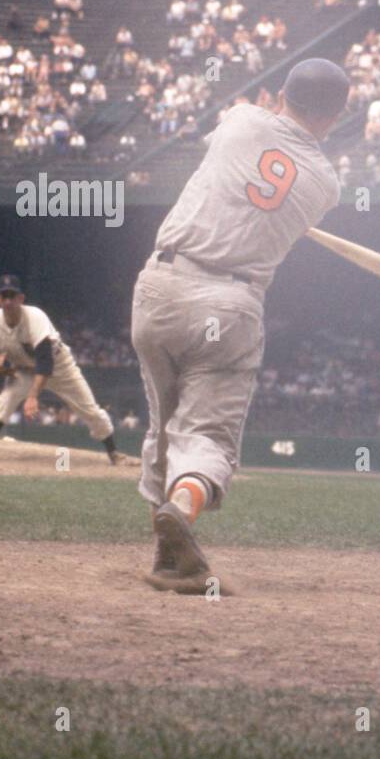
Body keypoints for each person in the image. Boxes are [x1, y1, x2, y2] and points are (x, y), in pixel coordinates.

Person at [131, 58, 349, 594]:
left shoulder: (241, 119)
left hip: (158, 284)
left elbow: (234, 147)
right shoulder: (326, 184)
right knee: (206, 436)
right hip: (229, 303)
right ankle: (181, 508)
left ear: (280, 93)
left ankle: (168, 556)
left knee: (164, 428)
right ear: (337, 117)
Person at [0, 274, 126, 466]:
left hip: (59, 367)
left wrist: (32, 396)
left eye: (13, 296)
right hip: (25, 369)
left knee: (89, 410)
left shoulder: (35, 317)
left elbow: (45, 363)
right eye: (4, 296)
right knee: (8, 396)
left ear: (21, 299)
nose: (8, 301)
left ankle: (114, 453)